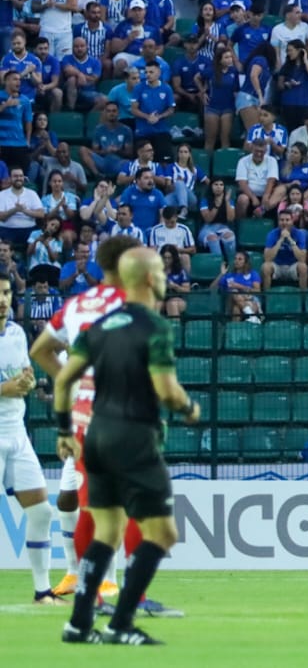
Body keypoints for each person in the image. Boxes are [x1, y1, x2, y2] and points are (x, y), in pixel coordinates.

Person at [53, 246, 196, 645]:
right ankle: (122, 621)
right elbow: (167, 390)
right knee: (162, 532)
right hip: (132, 434)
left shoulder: (93, 322)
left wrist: (65, 428)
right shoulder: (151, 324)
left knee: (104, 529)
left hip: (91, 432)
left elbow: (62, 378)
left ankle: (79, 623)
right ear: (148, 279)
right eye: (161, 273)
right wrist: (188, 406)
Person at [1, 289, 62, 605]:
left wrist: (25, 382)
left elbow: (23, 374)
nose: (2, 298)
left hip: (16, 432)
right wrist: (5, 388)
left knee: (41, 511)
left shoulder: (15, 333)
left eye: (6, 292)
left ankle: (43, 592)